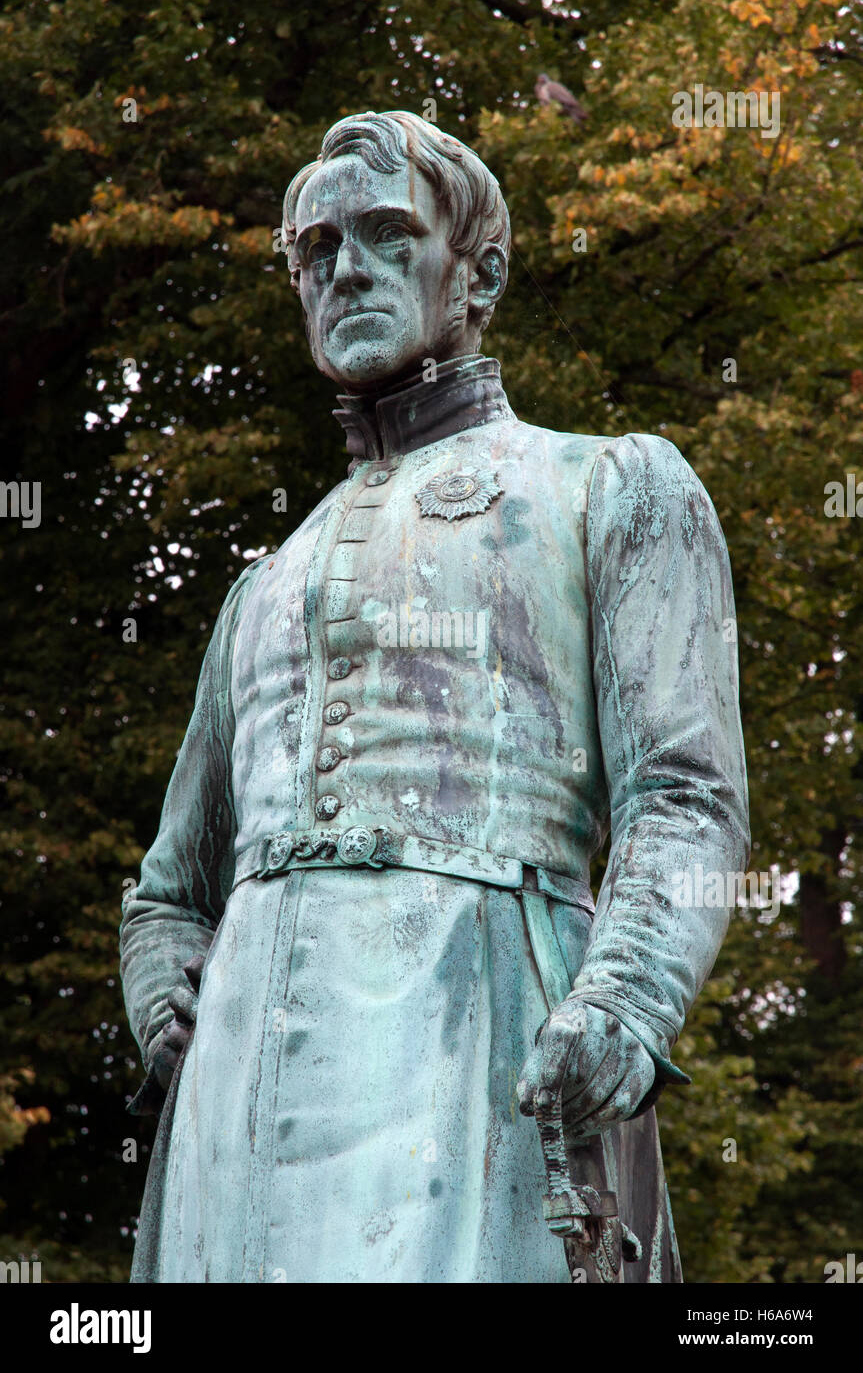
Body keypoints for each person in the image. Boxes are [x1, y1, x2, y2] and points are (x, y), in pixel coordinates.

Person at [120, 110, 749, 1282]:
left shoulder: (605, 484)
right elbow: (167, 888)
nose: (341, 267)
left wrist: (624, 996)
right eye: (314, 251)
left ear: (481, 272)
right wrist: (157, 976)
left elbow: (685, 796)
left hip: (479, 1042)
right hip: (239, 1102)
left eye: (383, 234)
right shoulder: (264, 583)